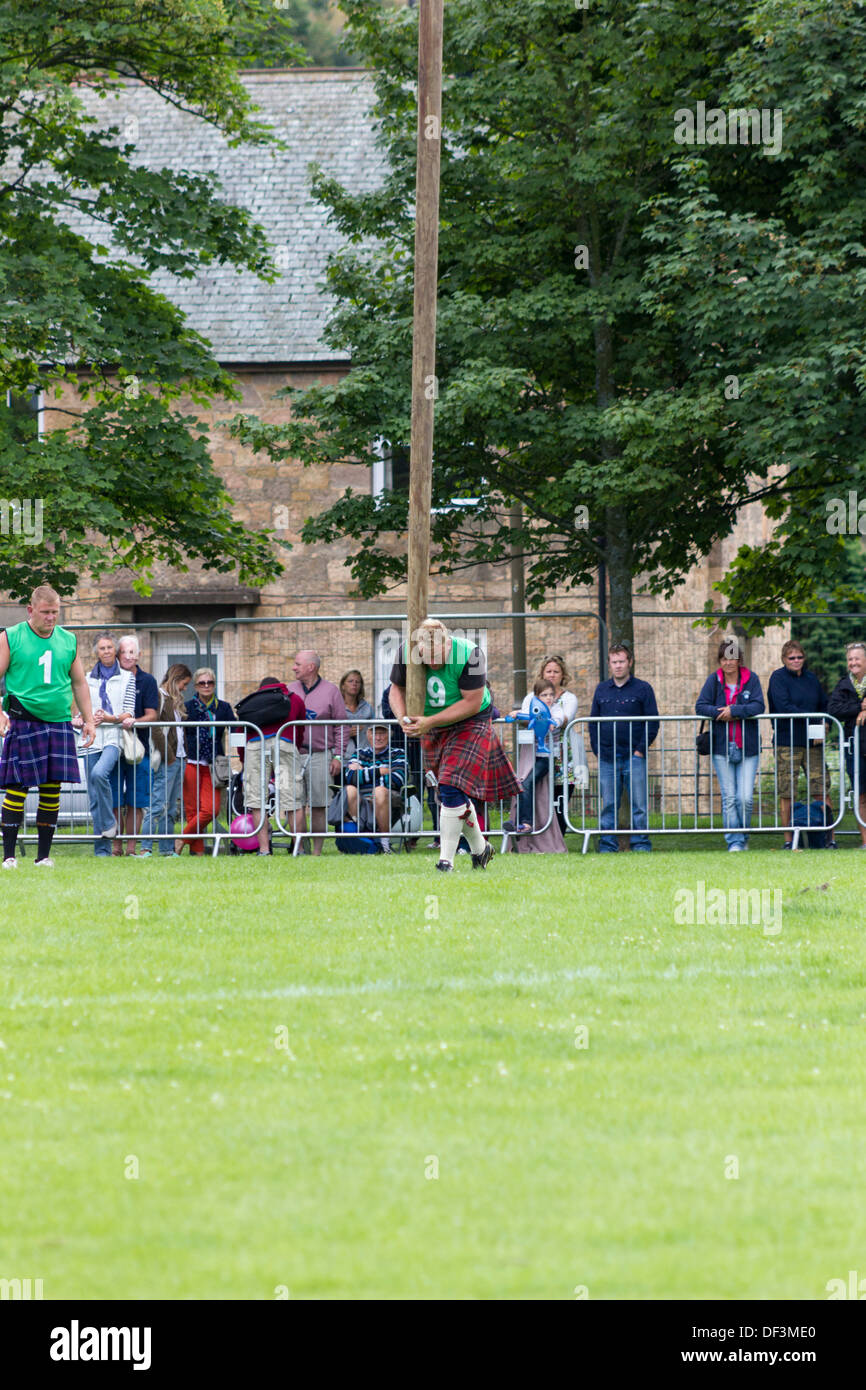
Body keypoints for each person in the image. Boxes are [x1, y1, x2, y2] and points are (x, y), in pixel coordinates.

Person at [387, 618, 521, 872]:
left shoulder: (470, 654)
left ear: (448, 643)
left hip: (471, 721)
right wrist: (403, 718)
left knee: (449, 784)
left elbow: (472, 702)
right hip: (433, 724)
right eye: (429, 658)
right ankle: (481, 850)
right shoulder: (406, 652)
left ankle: (445, 861)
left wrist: (429, 721)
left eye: (439, 656)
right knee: (450, 792)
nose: (434, 663)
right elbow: (396, 689)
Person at [0, 585, 96, 868]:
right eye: (45, 612)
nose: (51, 617)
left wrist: (89, 720)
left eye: (55, 612)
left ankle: (43, 856)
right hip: (24, 720)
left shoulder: (68, 640)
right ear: (31, 610)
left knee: (52, 789)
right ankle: (8, 856)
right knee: (17, 788)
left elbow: (79, 683)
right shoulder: (11, 636)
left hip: (58, 722)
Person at [696, 638, 765, 852]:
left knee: (744, 797)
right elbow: (700, 706)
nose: (728, 663)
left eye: (732, 658)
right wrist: (720, 712)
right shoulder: (713, 680)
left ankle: (743, 835)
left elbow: (758, 705)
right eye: (724, 659)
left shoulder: (751, 679)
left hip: (748, 747)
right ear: (720, 661)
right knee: (729, 797)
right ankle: (734, 841)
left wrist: (734, 711)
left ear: (739, 660)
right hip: (721, 747)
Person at [589, 643, 659, 853]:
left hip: (634, 756)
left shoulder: (643, 688)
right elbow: (593, 722)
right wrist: (598, 750)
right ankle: (607, 845)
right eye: (614, 662)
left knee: (639, 805)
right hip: (607, 756)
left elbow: (652, 721)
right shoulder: (601, 689)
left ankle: (641, 845)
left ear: (630, 662)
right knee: (609, 804)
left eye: (622, 661)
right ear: (609, 664)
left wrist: (640, 750)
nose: (618, 666)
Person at [767, 641, 832, 849]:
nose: (796, 661)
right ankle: (789, 841)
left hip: (813, 743)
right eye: (791, 658)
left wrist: (825, 723)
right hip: (787, 742)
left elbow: (824, 704)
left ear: (804, 658)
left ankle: (828, 838)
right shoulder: (777, 678)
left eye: (799, 657)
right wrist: (814, 719)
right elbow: (783, 706)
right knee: (787, 792)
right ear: (784, 659)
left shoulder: (812, 679)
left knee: (821, 788)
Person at [77, 633, 136, 856]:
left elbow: (129, 710)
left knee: (99, 774)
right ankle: (101, 850)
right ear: (97, 652)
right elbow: (81, 708)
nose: (106, 651)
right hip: (91, 737)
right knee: (94, 797)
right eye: (102, 648)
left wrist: (111, 718)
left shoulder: (128, 677)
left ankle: (110, 822)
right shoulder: (86, 678)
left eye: (110, 647)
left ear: (115, 650)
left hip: (113, 736)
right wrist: (82, 718)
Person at [288, 650, 349, 856]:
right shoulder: (288, 690)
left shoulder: (331, 691)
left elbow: (341, 726)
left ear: (311, 667)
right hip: (293, 755)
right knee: (293, 803)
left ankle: (316, 852)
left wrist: (338, 756)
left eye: (297, 664)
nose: (294, 667)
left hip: (321, 755)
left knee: (318, 804)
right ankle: (298, 849)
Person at [236, 675, 306, 855]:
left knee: (257, 800)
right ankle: (298, 848)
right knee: (293, 799)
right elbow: (300, 729)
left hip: (256, 747)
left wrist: (244, 759)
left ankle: (264, 849)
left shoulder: (251, 702)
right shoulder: (294, 699)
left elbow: (240, 732)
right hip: (285, 745)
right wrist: (294, 749)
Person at [176, 668, 234, 856]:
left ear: (215, 685)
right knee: (193, 810)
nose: (206, 686)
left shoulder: (223, 707)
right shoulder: (187, 707)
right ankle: (197, 851)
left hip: (213, 766)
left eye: (210, 682)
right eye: (202, 683)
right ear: (196, 686)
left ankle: (181, 839)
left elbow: (236, 729)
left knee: (210, 810)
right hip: (192, 762)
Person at [138, 665, 192, 857]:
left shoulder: (176, 701)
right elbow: (156, 729)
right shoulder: (160, 695)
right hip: (166, 759)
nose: (186, 688)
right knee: (158, 804)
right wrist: (168, 756)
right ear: (176, 680)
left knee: (171, 807)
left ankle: (167, 849)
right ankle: (146, 847)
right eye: (184, 684)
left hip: (179, 757)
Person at [113, 635, 159, 857]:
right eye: (124, 652)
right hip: (113, 745)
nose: (128, 656)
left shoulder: (147, 680)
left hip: (139, 748)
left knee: (136, 799)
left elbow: (153, 714)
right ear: (117, 655)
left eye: (132, 652)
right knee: (114, 799)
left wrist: (135, 721)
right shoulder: (109, 677)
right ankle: (115, 846)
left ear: (139, 655)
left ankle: (131, 847)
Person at [534, 654, 589, 832]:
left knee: (560, 798)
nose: (552, 675)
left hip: (565, 754)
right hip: (540, 751)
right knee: (542, 796)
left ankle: (560, 837)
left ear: (562, 675)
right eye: (548, 671)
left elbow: (567, 717)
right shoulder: (534, 697)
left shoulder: (569, 698)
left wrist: (552, 721)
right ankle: (542, 837)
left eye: (556, 671)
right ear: (542, 674)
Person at [504, 677, 563, 835]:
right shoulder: (534, 708)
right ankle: (516, 821)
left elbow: (558, 719)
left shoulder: (555, 709)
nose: (549, 698)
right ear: (536, 697)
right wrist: (515, 714)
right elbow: (524, 715)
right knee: (521, 784)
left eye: (551, 695)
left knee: (527, 783)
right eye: (544, 695)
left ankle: (526, 823)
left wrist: (553, 723)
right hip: (530, 756)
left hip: (545, 757)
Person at [342, 723, 407, 853]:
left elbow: (398, 778)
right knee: (349, 789)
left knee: (379, 791)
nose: (378, 737)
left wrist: (364, 773)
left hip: (389, 796)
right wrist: (379, 771)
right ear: (368, 735)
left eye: (382, 733)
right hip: (361, 797)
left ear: (389, 735)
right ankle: (364, 840)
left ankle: (384, 843)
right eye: (374, 733)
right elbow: (350, 777)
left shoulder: (398, 753)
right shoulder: (360, 753)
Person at [827, 641, 866, 848]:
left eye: (857, 658)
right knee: (860, 794)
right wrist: (859, 707)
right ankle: (865, 841)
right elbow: (834, 709)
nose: (853, 663)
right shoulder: (843, 685)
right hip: (855, 747)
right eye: (850, 659)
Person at [339, 670, 374, 756]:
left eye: (357, 682)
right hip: (343, 757)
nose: (354, 684)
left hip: (365, 757)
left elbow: (375, 729)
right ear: (343, 686)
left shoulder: (367, 707)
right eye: (350, 681)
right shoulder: (336, 707)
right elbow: (327, 734)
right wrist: (347, 733)